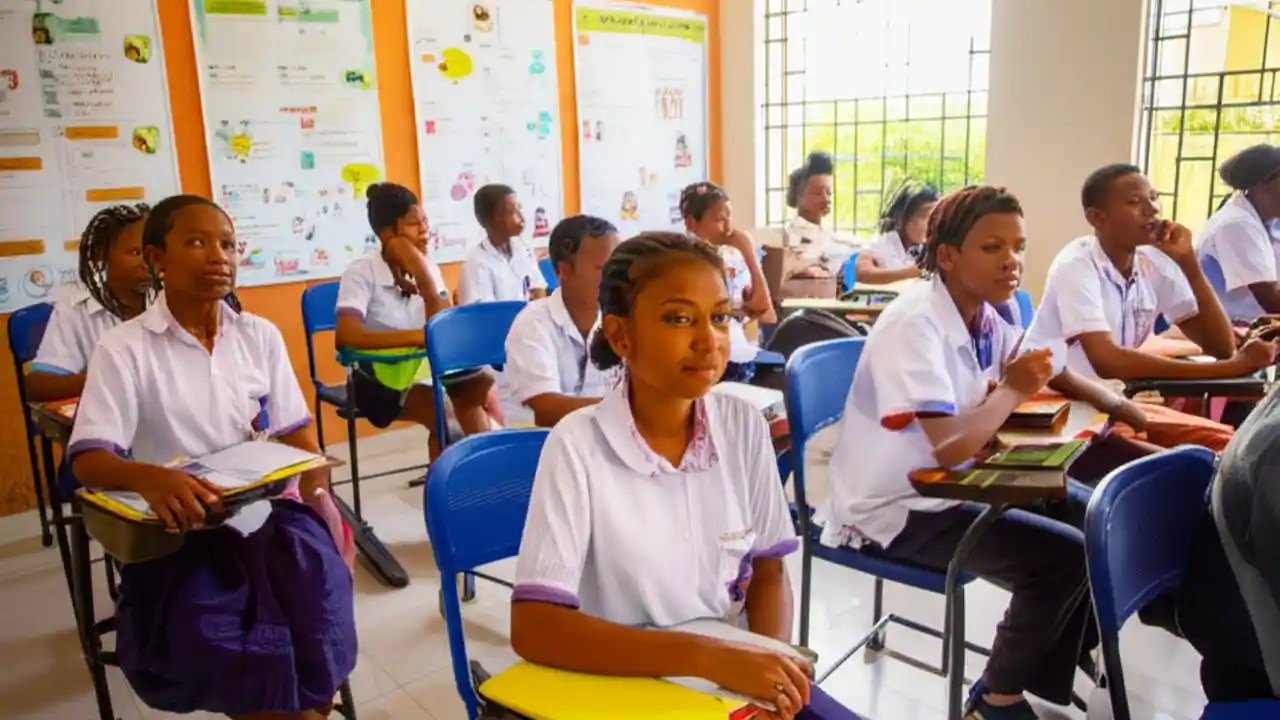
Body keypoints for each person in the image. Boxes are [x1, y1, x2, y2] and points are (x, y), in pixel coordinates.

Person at [822, 186, 1150, 720]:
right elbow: (951, 448)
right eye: (992, 248)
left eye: (1018, 247)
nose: (1012, 262)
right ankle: (995, 699)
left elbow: (1042, 362)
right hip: (897, 507)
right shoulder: (916, 322)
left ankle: (1044, 661)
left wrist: (1118, 405)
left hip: (952, 486)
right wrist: (1013, 391)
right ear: (947, 256)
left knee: (1097, 517)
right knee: (1060, 561)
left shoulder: (982, 313)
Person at [511, 233, 860, 720]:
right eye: (678, 318)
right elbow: (535, 627)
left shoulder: (741, 426)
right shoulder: (577, 445)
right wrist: (707, 655)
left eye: (719, 317)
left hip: (724, 681)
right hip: (619, 682)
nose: (707, 340)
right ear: (621, 336)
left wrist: (765, 667)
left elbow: (768, 572)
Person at [67, 195, 356, 718]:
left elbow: (296, 431)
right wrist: (152, 479)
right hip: (181, 539)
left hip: (266, 521)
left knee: (321, 611)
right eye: (196, 243)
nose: (218, 256)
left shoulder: (258, 335)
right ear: (157, 258)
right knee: (231, 647)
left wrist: (319, 492)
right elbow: (88, 459)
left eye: (226, 243)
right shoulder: (124, 348)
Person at [1025, 164, 1276, 451]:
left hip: (1111, 400)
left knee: (1228, 443)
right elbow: (1108, 362)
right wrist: (1230, 369)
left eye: (1153, 198)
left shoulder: (1151, 263)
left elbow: (1220, 345)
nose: (1152, 210)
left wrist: (1188, 264)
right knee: (1208, 456)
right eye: (1134, 202)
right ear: (1097, 217)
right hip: (1058, 405)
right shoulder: (1076, 264)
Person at [335, 182, 494, 460]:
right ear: (388, 234)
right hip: (378, 382)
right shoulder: (360, 273)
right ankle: (447, 495)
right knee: (447, 416)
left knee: (475, 399)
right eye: (413, 224)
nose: (424, 231)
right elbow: (347, 337)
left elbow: (444, 328)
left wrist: (421, 272)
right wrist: (420, 338)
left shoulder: (427, 268)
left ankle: (485, 481)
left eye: (425, 222)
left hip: (424, 373)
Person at [503, 215, 620, 427]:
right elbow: (547, 411)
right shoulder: (532, 324)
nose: (617, 278)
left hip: (600, 439)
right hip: (537, 446)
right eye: (604, 269)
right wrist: (627, 410)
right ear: (564, 271)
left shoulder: (622, 319)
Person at [27, 204, 152, 402]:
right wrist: (106, 379)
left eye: (154, 252)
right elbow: (38, 386)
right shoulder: (77, 309)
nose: (148, 262)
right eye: (136, 252)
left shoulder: (174, 299)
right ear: (102, 255)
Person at [681, 181, 776, 383]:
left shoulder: (733, 258)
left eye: (729, 219)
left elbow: (766, 312)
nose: (729, 228)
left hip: (739, 355)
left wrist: (748, 251)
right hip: (707, 358)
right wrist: (738, 312)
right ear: (691, 224)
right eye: (719, 220)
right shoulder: (684, 264)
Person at [1197, 144, 1280, 323]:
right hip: (1234, 331)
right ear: (1264, 183)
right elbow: (1271, 300)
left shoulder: (1267, 221)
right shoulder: (1236, 225)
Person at [459, 183, 548, 304]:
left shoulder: (522, 249)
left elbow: (538, 287)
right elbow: (483, 314)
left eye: (519, 209)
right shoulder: (477, 264)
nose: (521, 218)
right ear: (491, 219)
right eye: (511, 212)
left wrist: (538, 295)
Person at [781, 151, 857, 276]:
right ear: (799, 197)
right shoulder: (787, 241)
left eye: (829, 192)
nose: (826, 199)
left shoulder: (835, 239)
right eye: (817, 193)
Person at [854, 181, 940, 285]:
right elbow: (862, 272)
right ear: (902, 218)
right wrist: (913, 272)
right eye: (925, 216)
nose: (931, 223)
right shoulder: (882, 244)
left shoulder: (930, 247)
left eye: (935, 218)